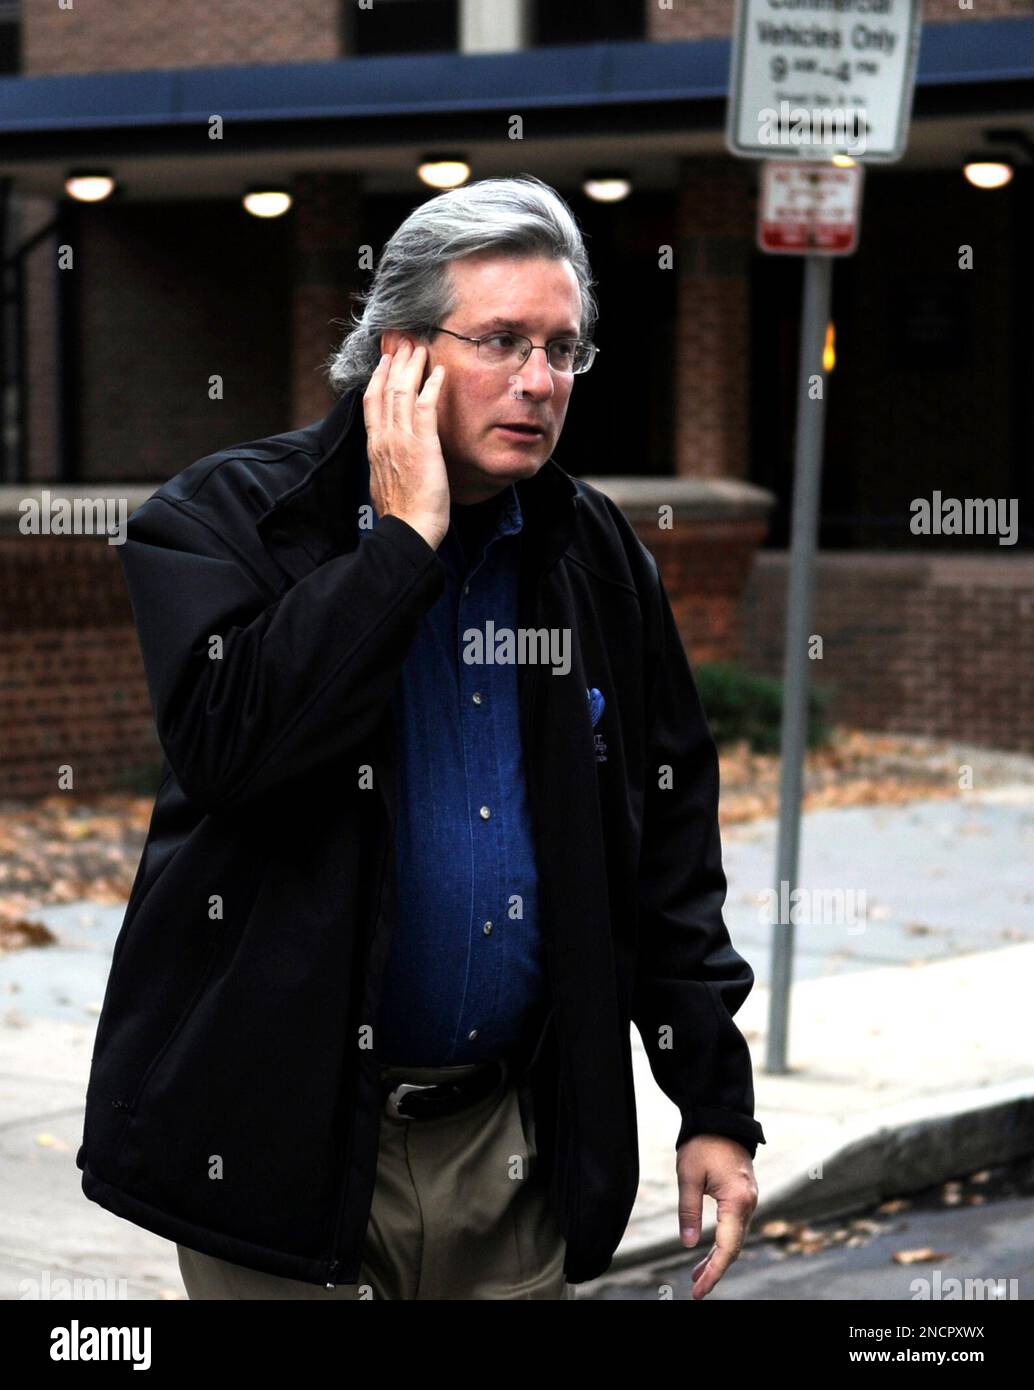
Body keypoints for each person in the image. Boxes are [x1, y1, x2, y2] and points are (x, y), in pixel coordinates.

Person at [76, 174, 765, 1301]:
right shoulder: (223, 521)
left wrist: (713, 1106)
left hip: (508, 1150)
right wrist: (400, 545)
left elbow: (668, 851)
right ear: (398, 354)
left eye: (562, 347)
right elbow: (234, 748)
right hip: (284, 1156)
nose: (540, 382)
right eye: (501, 340)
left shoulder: (593, 560)